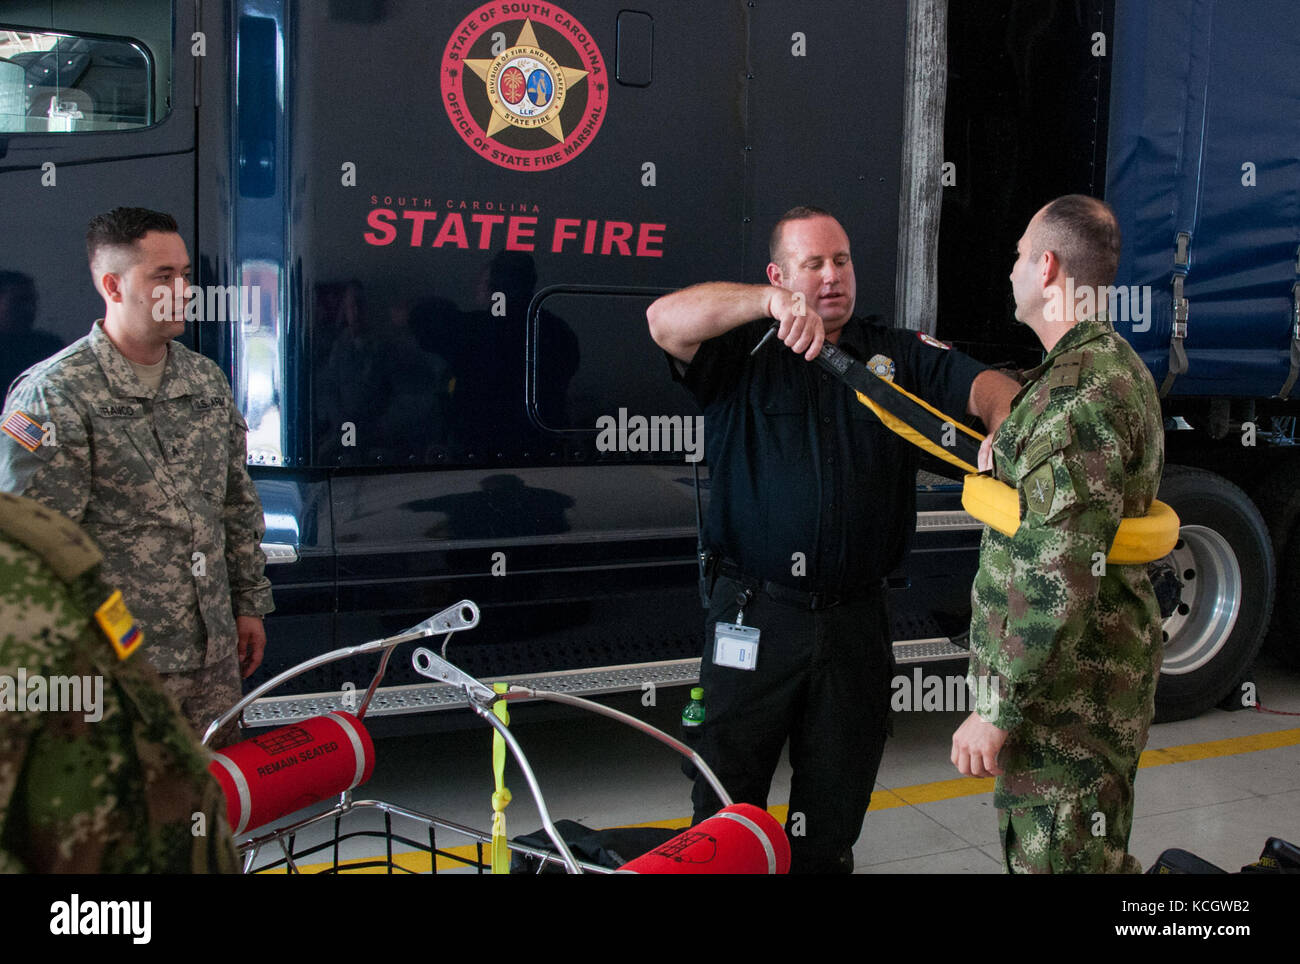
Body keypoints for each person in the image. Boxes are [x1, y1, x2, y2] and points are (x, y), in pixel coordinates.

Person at [647, 205, 1019, 873]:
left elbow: (989, 387)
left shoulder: (898, 355)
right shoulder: (742, 351)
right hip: (754, 618)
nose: (831, 277)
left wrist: (1002, 425)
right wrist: (765, 305)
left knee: (832, 815)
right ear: (779, 274)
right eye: (811, 264)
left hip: (855, 624)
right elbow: (662, 321)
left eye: (840, 260)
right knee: (725, 812)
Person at [0, 207, 273, 742]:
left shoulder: (205, 379)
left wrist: (249, 604)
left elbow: (235, 505)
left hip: (212, 658)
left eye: (186, 274)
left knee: (217, 808)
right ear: (113, 285)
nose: (183, 289)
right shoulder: (56, 394)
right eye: (163, 276)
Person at [950, 194, 1165, 874]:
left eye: (1018, 254)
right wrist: (1009, 448)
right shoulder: (1095, 370)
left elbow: (1060, 565)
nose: (1010, 268)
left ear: (1046, 268)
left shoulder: (1078, 399)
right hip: (1082, 685)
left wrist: (996, 706)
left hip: (1068, 704)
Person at [0, 492, 239, 872]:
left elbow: (234, 505)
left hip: (200, 638)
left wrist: (249, 600)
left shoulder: (33, 552)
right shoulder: (30, 564)